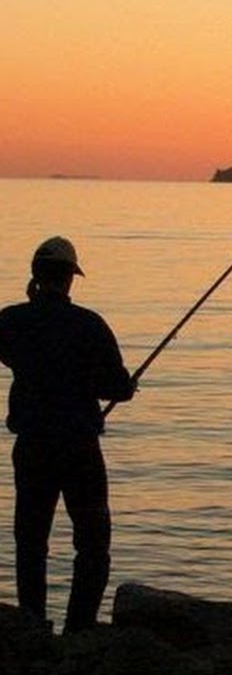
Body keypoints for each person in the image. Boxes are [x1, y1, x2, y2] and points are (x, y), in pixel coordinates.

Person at [0, 236, 134, 633]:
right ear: (71, 277)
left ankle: (32, 624)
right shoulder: (89, 325)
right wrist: (122, 386)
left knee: (31, 541)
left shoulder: (11, 321)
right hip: (79, 447)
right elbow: (117, 387)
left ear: (35, 275)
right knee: (92, 542)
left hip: (32, 446)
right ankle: (79, 628)